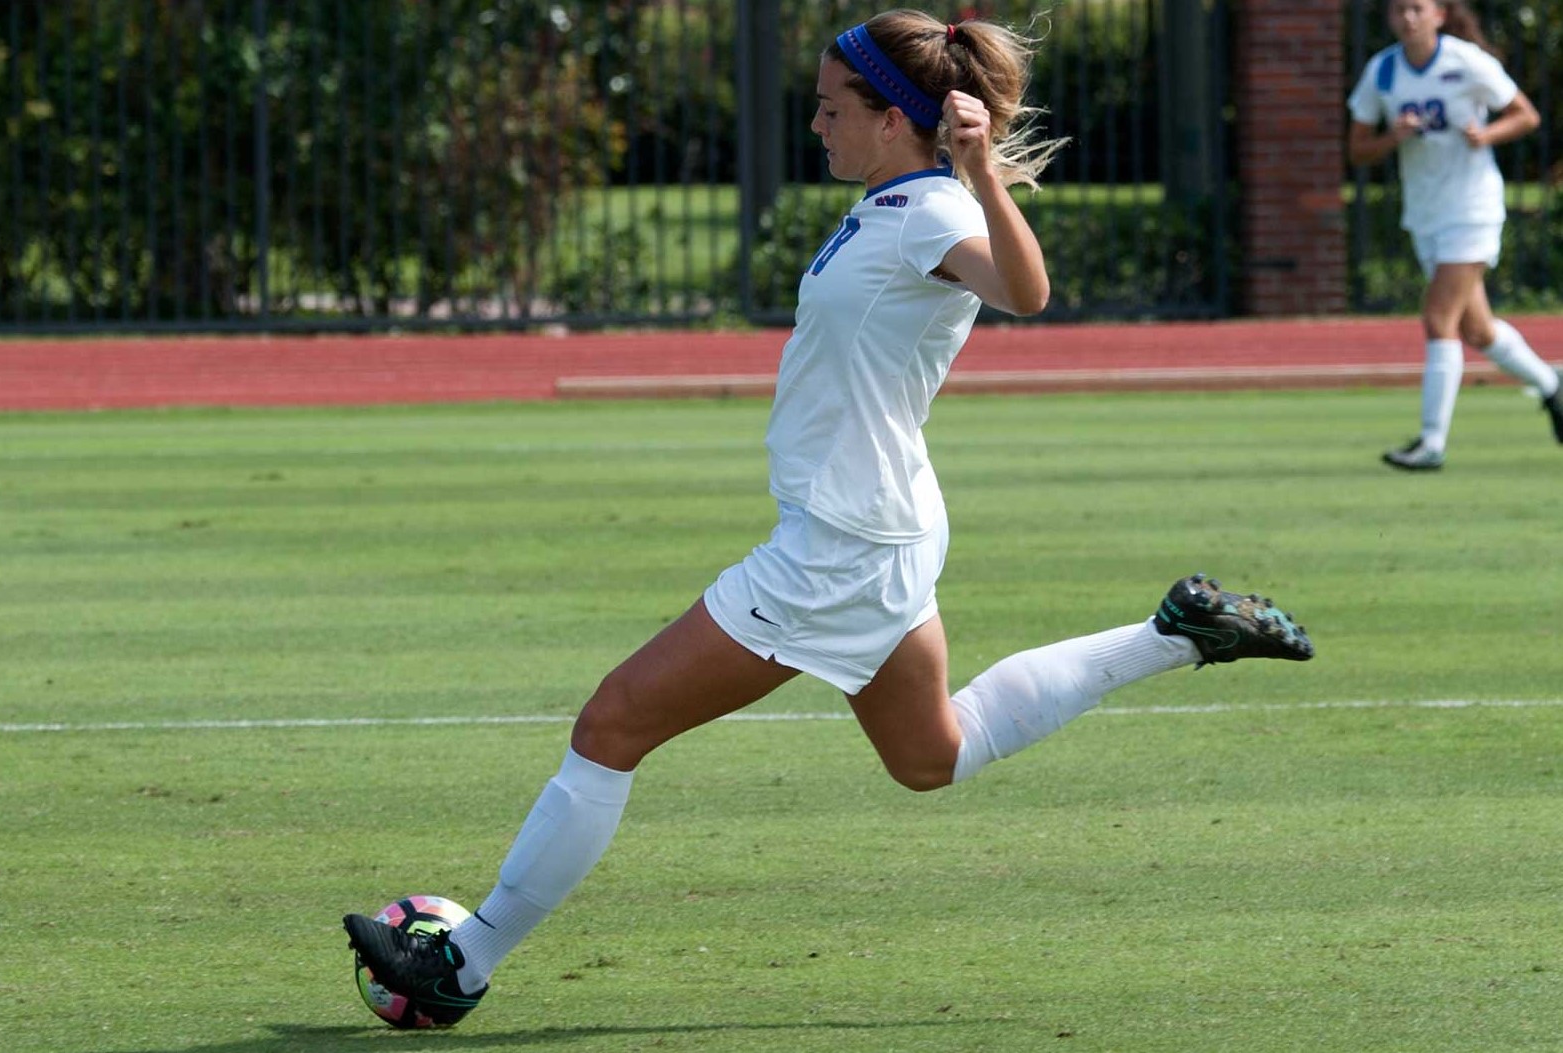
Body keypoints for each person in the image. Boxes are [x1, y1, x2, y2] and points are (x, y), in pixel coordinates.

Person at [344, 9, 1314, 1026]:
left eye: (827, 107)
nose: (813, 125)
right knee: (929, 756)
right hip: (875, 528)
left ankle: (463, 962)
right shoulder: (889, 201)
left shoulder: (933, 210)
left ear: (892, 121)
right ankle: (1173, 636)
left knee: (610, 725)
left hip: (839, 550)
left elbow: (1025, 291)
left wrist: (983, 174)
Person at [1347, 0, 1563, 471]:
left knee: (1437, 319)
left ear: (1439, 15)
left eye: (1417, 9)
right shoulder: (1382, 72)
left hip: (1472, 207)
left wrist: (1485, 136)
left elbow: (1525, 115)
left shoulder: (1465, 61)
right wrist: (1393, 138)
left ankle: (1431, 442)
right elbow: (1358, 150)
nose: (1408, 18)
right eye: (1399, 10)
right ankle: (1552, 386)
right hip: (1424, 213)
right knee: (1477, 330)